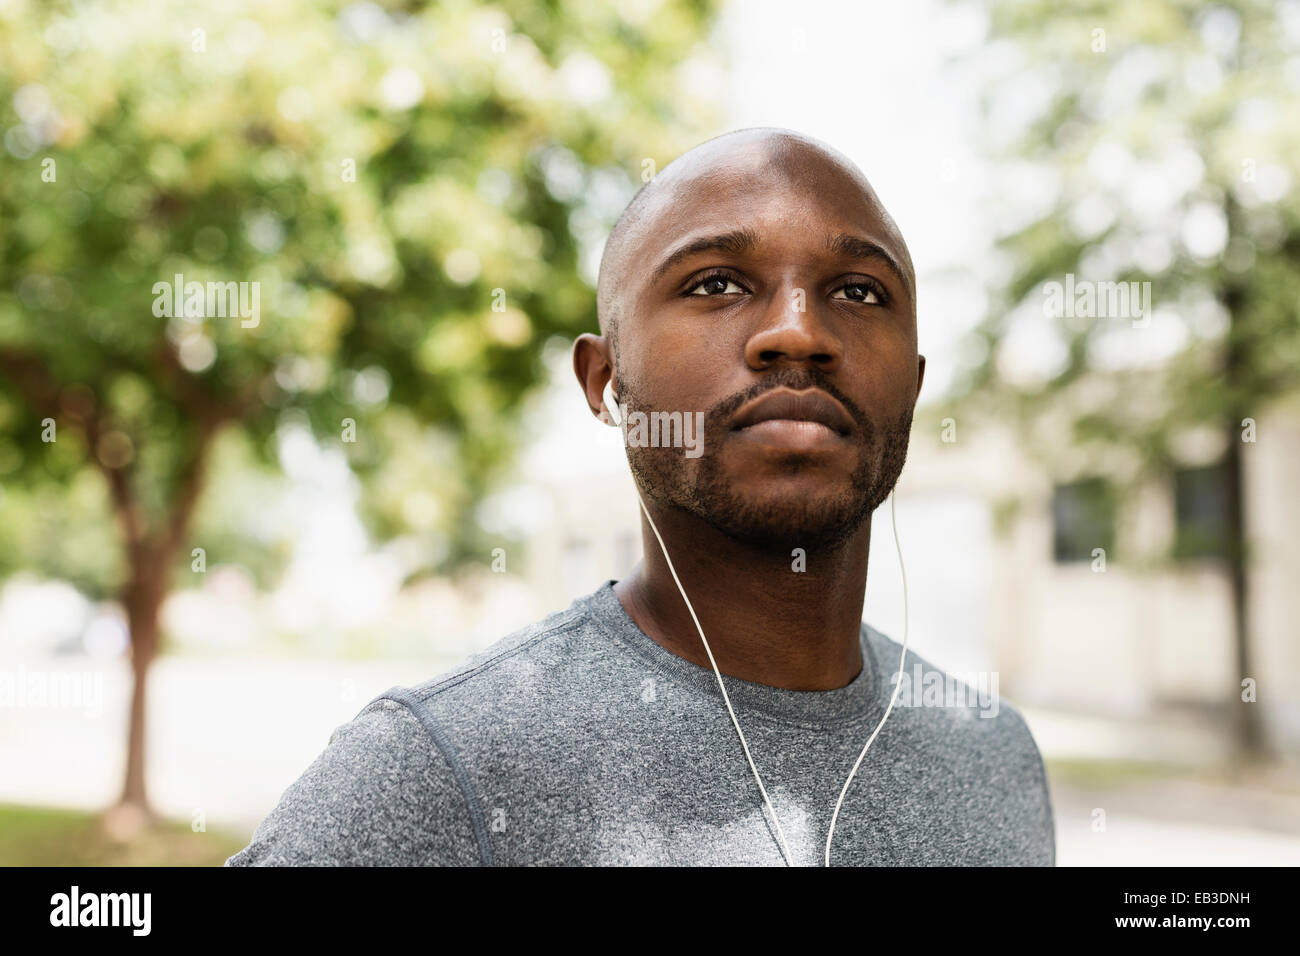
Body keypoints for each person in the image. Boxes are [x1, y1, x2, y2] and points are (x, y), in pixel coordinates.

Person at [226, 128, 1055, 867]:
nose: (799, 331)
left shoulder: (993, 757)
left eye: (860, 292)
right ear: (604, 379)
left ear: (911, 385)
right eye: (717, 283)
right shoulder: (440, 770)